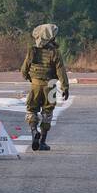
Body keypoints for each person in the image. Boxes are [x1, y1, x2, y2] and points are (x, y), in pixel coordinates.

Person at [21, 23, 69, 151]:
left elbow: (24, 70)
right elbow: (61, 72)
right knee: (48, 112)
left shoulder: (33, 51)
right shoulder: (55, 53)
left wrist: (30, 78)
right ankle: (42, 141)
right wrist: (65, 87)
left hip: (35, 84)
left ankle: (33, 131)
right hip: (51, 85)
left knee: (31, 109)